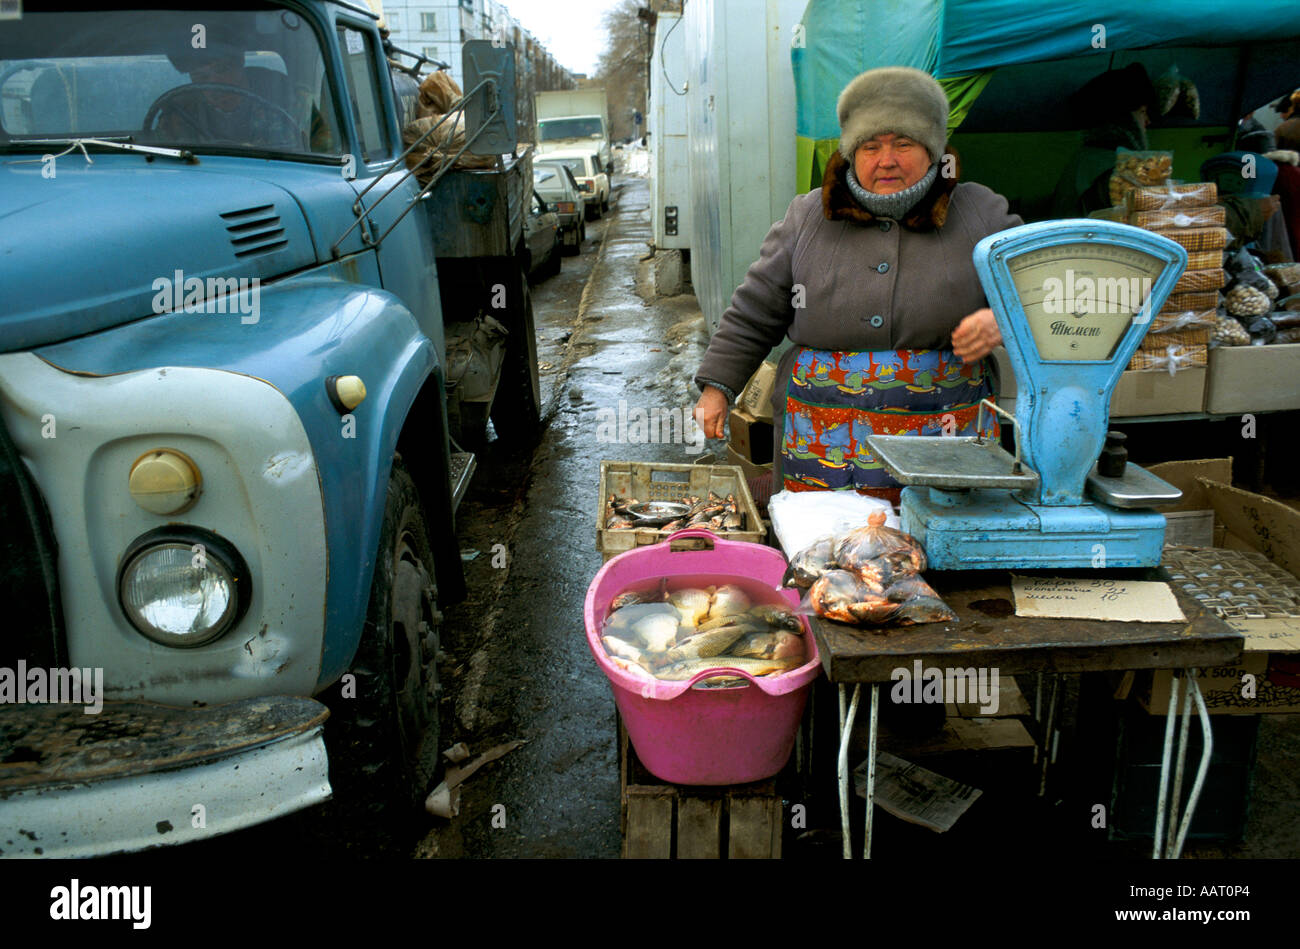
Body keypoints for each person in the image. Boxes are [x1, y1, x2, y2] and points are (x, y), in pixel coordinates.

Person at [693, 67, 1022, 504]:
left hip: (945, 430)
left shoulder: (981, 212)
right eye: (870, 147)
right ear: (851, 153)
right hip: (820, 435)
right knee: (825, 558)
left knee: (942, 550)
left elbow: (1040, 293)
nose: (886, 160)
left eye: (903, 143)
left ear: (933, 149)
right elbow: (756, 310)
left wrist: (1001, 318)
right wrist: (718, 388)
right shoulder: (807, 217)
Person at [1050, 63, 1161, 218]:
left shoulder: (1089, 157)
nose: (1147, 121)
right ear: (1124, 119)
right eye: (1142, 112)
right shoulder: (1112, 168)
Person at [155, 43, 303, 150]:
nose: (215, 86)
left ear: (240, 64)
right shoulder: (180, 114)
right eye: (201, 76)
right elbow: (161, 161)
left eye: (223, 70)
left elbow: (319, 150)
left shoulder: (291, 102)